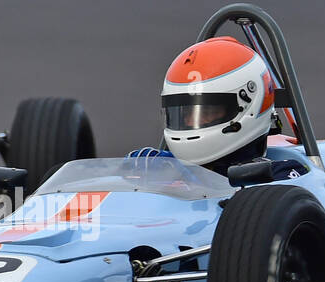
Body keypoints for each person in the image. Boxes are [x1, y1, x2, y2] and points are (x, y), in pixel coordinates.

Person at [130, 36, 305, 178]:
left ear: (248, 106)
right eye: (184, 114)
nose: (192, 122)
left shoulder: (281, 175)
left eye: (206, 112)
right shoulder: (160, 165)